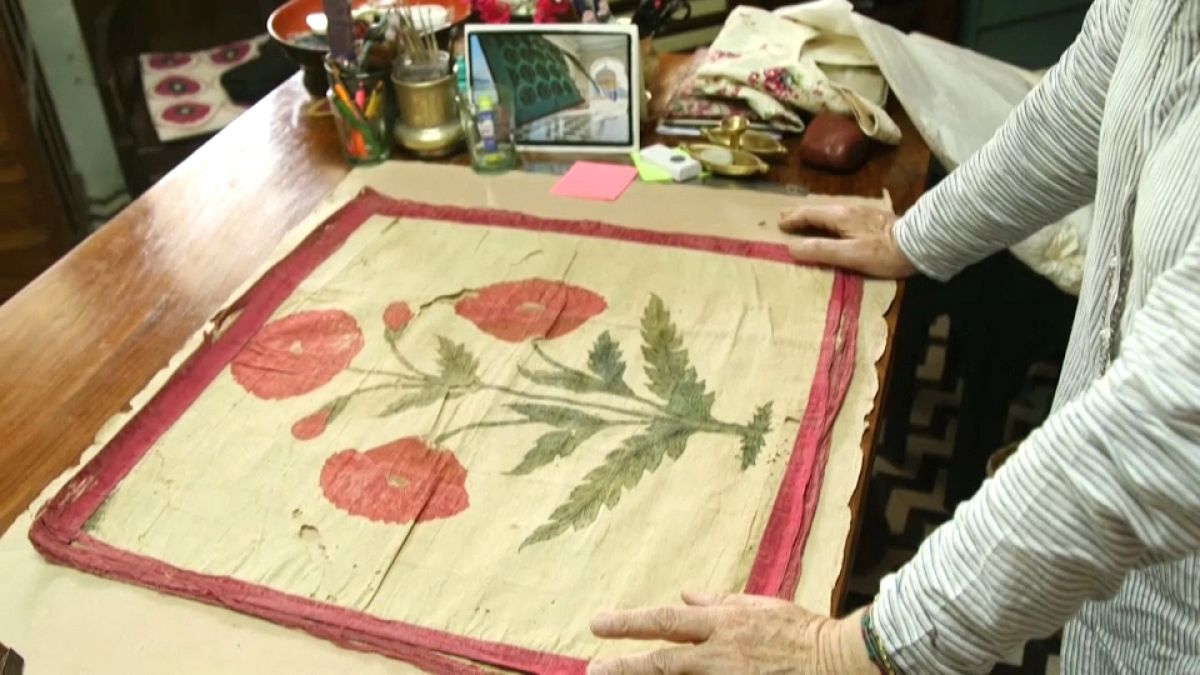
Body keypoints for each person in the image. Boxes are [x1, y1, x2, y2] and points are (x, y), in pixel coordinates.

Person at [587, 0, 1200, 671]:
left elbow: (1164, 424)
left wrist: (841, 652)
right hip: (1114, 601)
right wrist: (918, 235)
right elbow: (1086, 102)